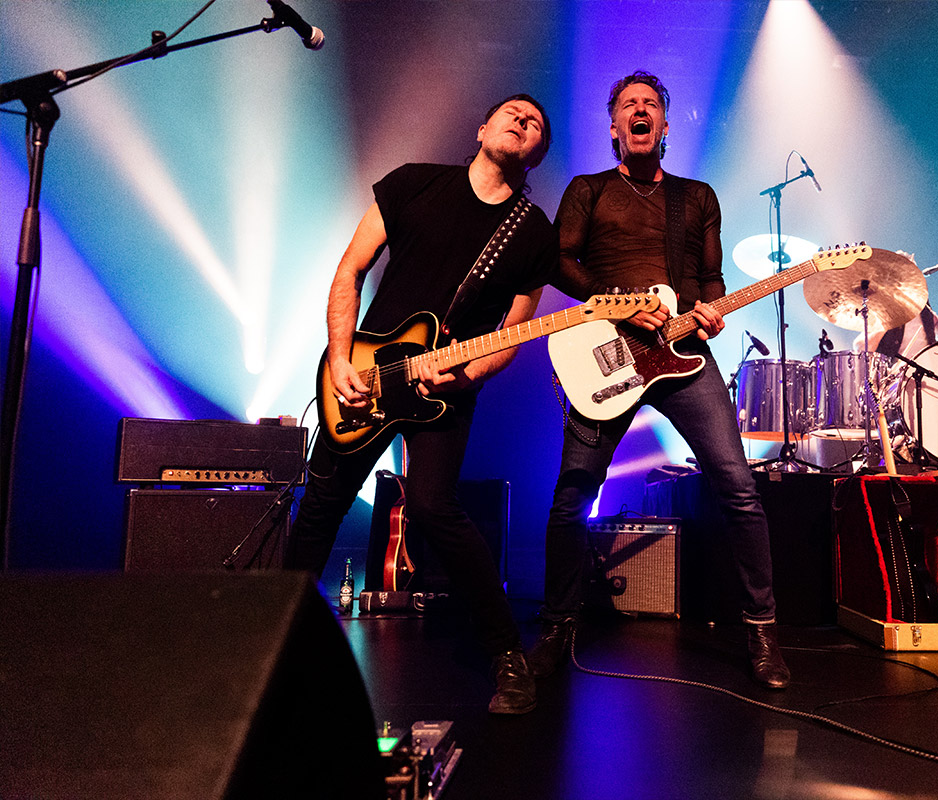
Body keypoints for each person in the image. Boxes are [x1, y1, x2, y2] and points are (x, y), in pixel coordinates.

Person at [288, 94, 558, 715]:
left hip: (445, 389)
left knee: (436, 508)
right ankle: (276, 640)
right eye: (513, 113)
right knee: (322, 504)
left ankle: (507, 655)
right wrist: (339, 359)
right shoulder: (413, 184)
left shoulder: (533, 233)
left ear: (537, 154)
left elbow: (513, 335)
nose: (523, 120)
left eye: (535, 124)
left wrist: (466, 375)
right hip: (366, 375)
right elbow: (350, 270)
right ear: (482, 128)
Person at [529, 71, 791, 690]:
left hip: (684, 355)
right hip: (608, 354)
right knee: (572, 495)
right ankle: (558, 625)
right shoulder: (589, 189)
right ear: (614, 128)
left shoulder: (696, 197)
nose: (640, 110)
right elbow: (557, 261)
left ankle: (762, 630)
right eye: (629, 105)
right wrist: (619, 304)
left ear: (665, 126)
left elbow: (712, 278)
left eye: (651, 104)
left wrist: (712, 311)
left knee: (739, 488)